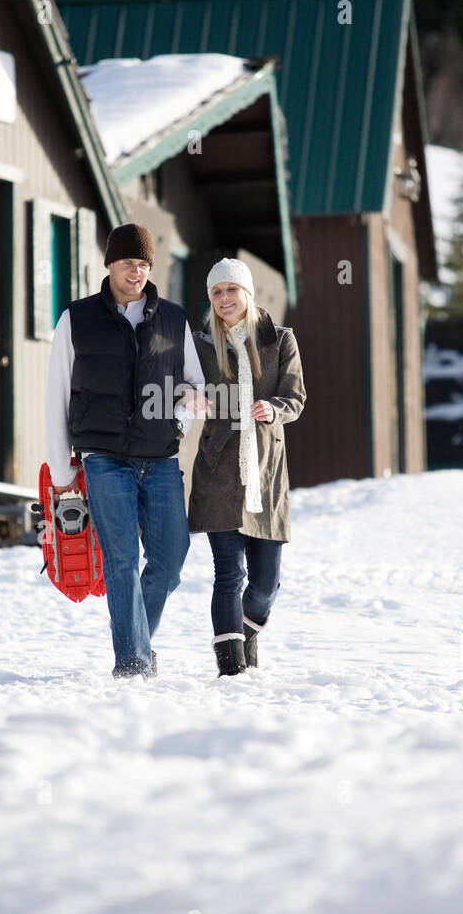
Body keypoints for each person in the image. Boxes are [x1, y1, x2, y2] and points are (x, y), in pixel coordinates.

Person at [44, 223, 207, 679]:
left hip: (160, 459)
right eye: (127, 263)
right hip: (102, 457)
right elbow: (55, 395)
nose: (135, 272)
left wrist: (178, 421)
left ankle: (140, 642)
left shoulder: (174, 320)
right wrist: (61, 472)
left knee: (170, 559)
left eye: (143, 264)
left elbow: (194, 386)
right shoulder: (76, 319)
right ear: (110, 265)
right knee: (120, 559)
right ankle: (132, 663)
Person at [187, 259, 306, 676]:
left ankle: (247, 631)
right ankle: (231, 670)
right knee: (228, 575)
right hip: (218, 470)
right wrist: (187, 395)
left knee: (265, 585)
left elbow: (295, 398)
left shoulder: (280, 340)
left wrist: (273, 409)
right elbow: (180, 380)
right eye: (216, 293)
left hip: (265, 474)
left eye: (230, 290)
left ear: (247, 294)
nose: (223, 299)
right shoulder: (201, 344)